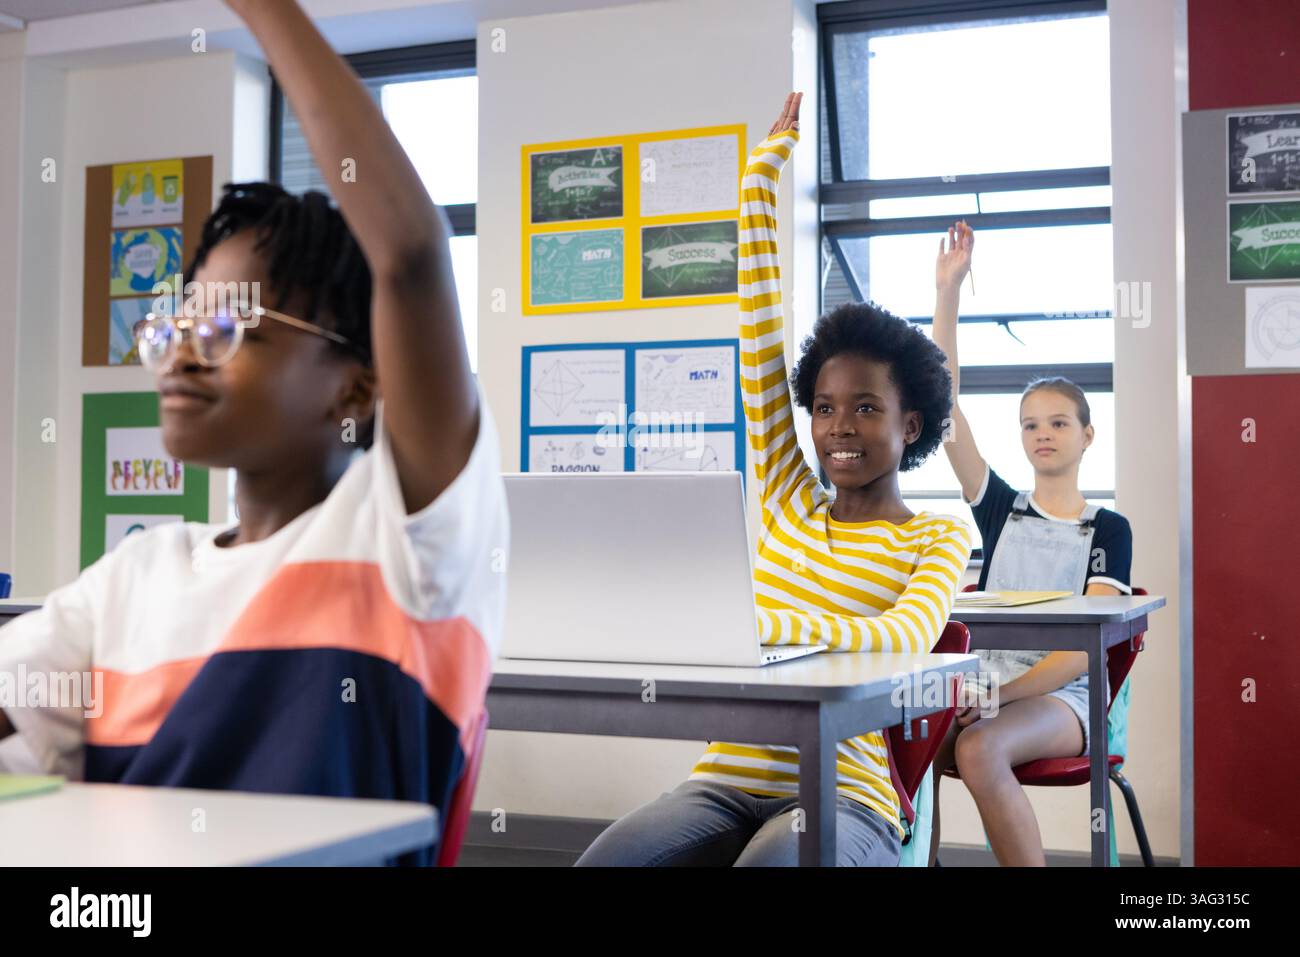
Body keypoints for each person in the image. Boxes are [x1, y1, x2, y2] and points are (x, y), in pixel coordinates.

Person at [0, 0, 506, 865]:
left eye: (230, 327)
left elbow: (412, 255)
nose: (182, 357)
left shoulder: (408, 551)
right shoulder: (130, 578)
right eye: (176, 326)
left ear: (357, 380)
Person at [576, 93, 971, 867]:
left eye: (865, 408)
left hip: (845, 791)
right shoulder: (789, 493)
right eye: (824, 408)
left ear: (911, 425)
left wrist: (754, 638)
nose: (838, 428)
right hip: (725, 778)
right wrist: (759, 188)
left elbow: (897, 643)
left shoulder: (939, 532)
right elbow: (756, 332)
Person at [929, 220, 1133, 866]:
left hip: (1060, 697)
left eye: (1058, 422)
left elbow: (1081, 651)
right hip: (986, 686)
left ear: (1087, 435)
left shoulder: (1109, 528)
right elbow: (944, 409)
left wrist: (994, 699)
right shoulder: (996, 507)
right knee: (902, 739)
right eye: (1029, 425)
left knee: (979, 748)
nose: (1042, 434)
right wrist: (948, 290)